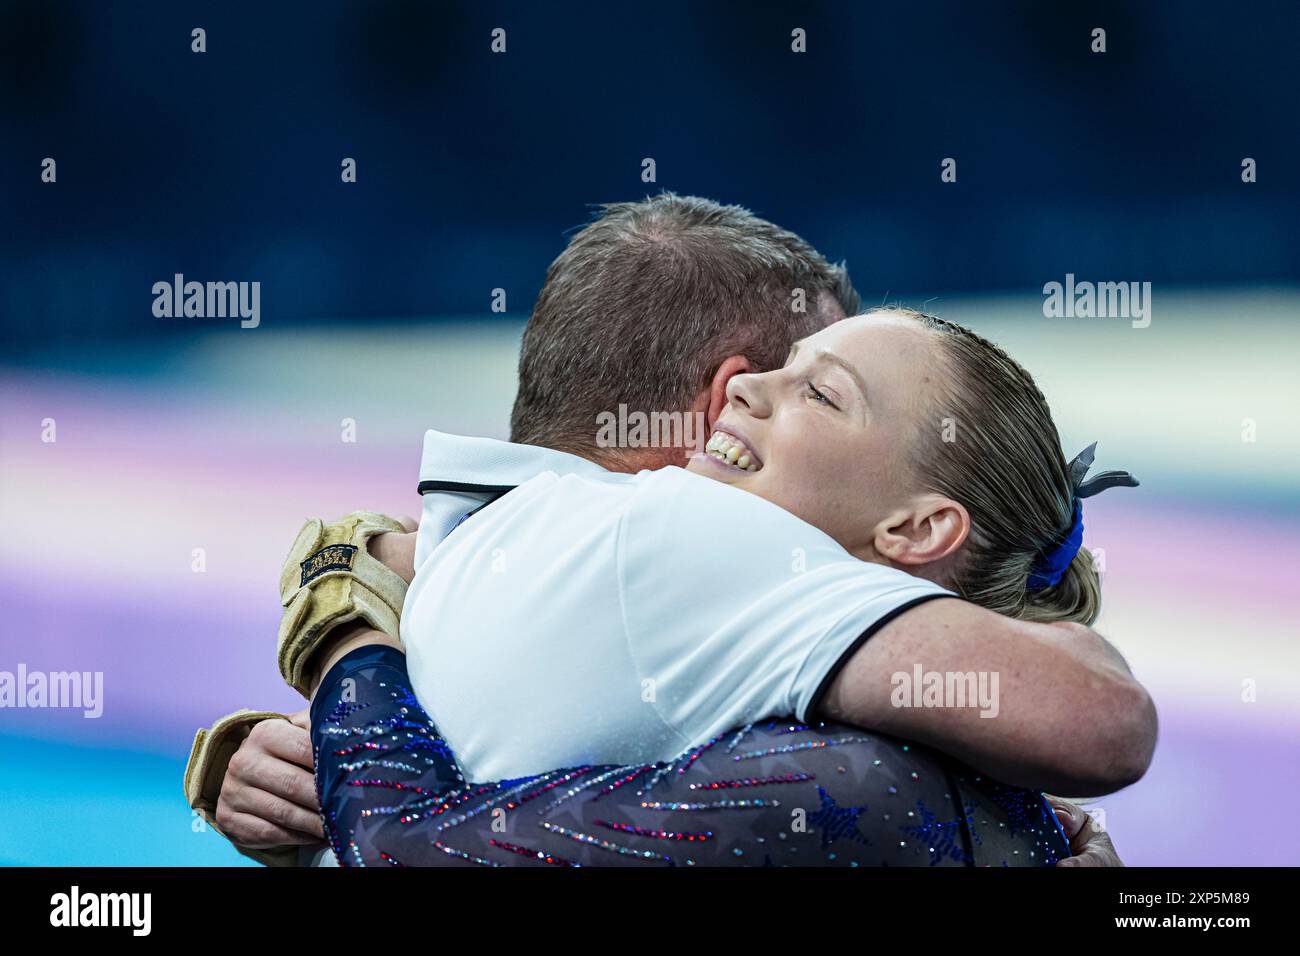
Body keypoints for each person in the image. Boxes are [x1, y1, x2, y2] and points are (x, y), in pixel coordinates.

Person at [187, 196, 1146, 865]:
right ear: (715, 392)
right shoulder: (683, 542)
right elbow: (1103, 716)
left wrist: (345, 640)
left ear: (917, 527)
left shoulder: (457, 553)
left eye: (820, 392)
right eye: (794, 370)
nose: (756, 400)